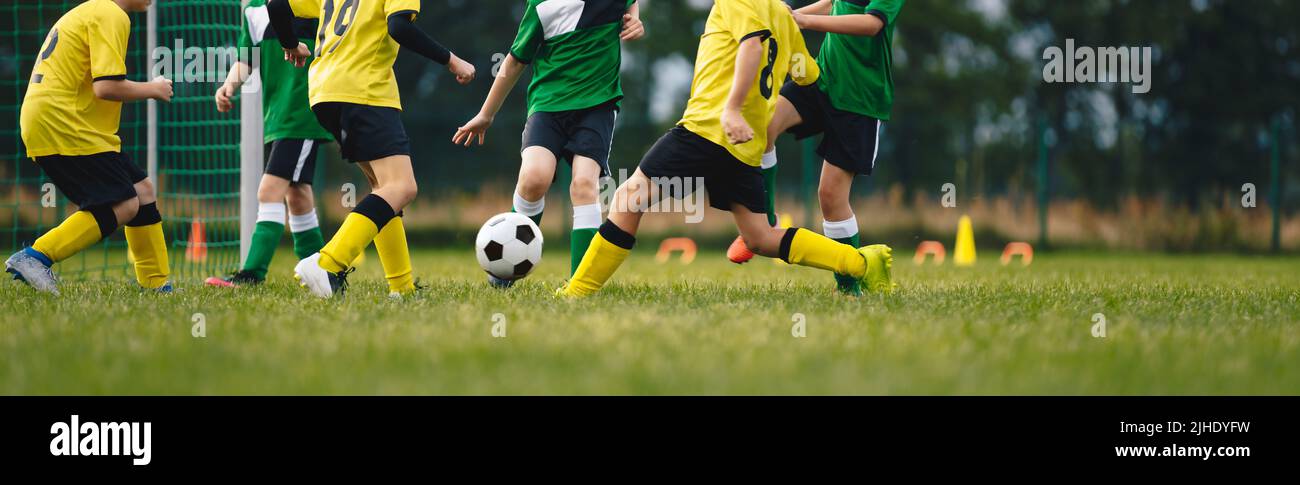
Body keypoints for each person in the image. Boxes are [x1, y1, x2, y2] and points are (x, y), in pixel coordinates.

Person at [559, 0, 895, 299]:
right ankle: (861, 262)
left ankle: (577, 291)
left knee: (629, 198)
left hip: (706, 130)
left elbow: (752, 47)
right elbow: (807, 74)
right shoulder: (781, 16)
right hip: (745, 148)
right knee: (760, 237)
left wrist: (732, 108)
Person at [265, 0, 476, 298]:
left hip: (325, 91)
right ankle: (328, 262)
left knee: (384, 188)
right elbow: (399, 26)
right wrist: (452, 60)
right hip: (363, 90)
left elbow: (276, 4)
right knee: (402, 187)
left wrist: (290, 44)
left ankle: (402, 287)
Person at [453, 0, 646, 286]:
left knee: (584, 185)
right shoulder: (541, 5)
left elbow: (632, 3)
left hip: (598, 105)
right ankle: (505, 270)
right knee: (534, 178)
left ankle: (581, 284)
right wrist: (486, 114)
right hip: (547, 105)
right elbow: (514, 61)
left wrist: (634, 20)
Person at [727, 0, 904, 297]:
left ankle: (848, 287)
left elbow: (872, 24)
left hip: (860, 100)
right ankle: (764, 217)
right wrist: (787, 17)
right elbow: (832, 3)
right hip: (821, 80)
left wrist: (804, 22)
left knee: (830, 196)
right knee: (763, 124)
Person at [6, 0, 174, 295]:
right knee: (123, 204)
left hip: (64, 122)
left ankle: (155, 284)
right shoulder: (112, 14)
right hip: (63, 122)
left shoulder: (91, 10)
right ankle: (36, 256)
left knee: (142, 190)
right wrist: (154, 88)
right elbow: (106, 87)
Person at [206, 0, 335, 288]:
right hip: (276, 117)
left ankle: (251, 274)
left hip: (303, 113)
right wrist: (228, 85)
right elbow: (246, 58)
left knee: (269, 190)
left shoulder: (312, 4)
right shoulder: (253, 10)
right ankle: (324, 273)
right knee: (297, 195)